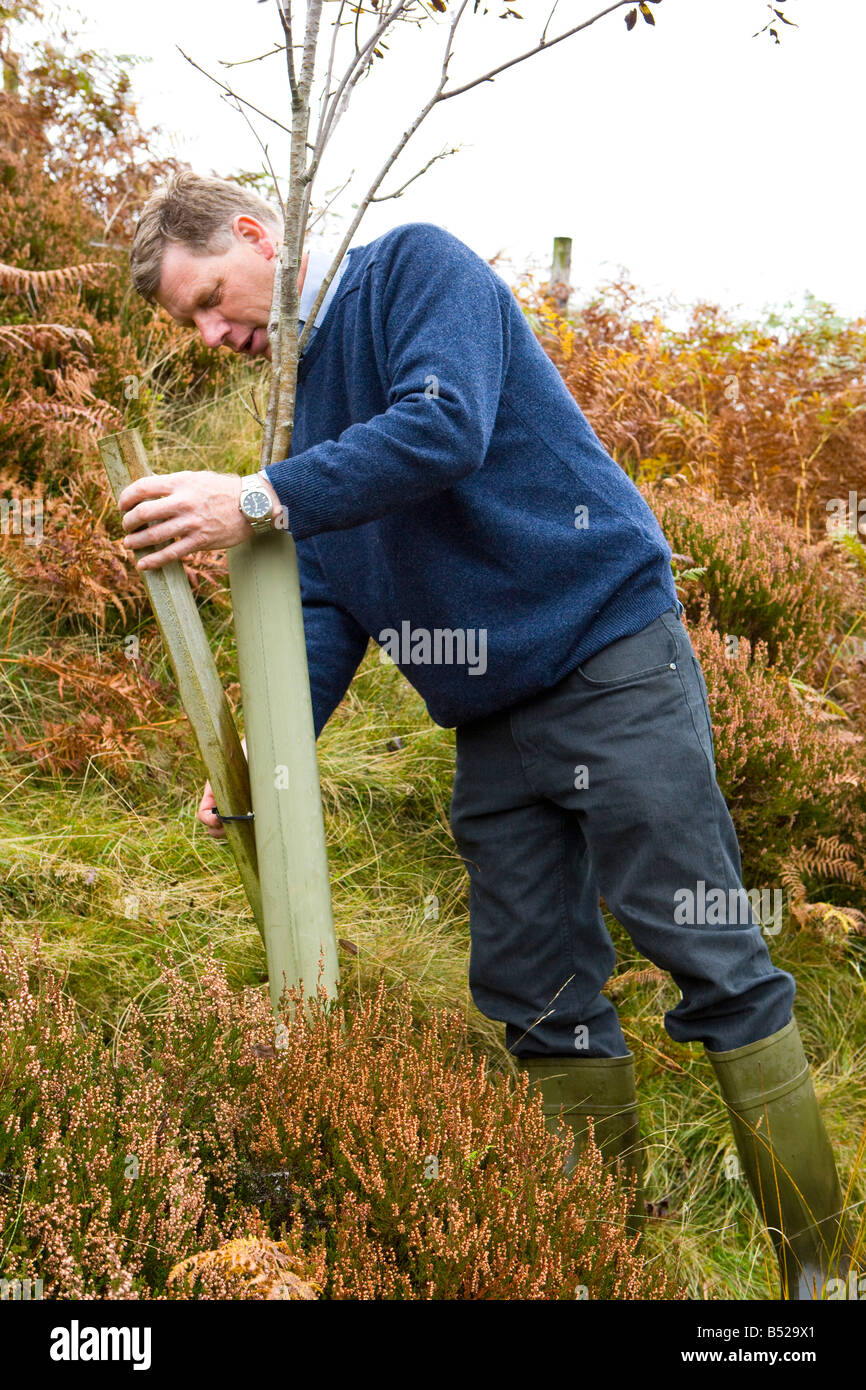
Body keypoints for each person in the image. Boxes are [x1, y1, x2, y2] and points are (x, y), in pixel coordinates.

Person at [124, 171, 855, 1298]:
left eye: (212, 298)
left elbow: (442, 426)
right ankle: (603, 1269)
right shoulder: (300, 407)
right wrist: (264, 763)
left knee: (709, 957)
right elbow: (328, 606)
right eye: (194, 324)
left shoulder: (415, 269)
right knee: (536, 998)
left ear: (257, 235)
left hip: (608, 659)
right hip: (489, 725)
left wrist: (259, 500)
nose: (216, 332)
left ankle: (816, 1281)